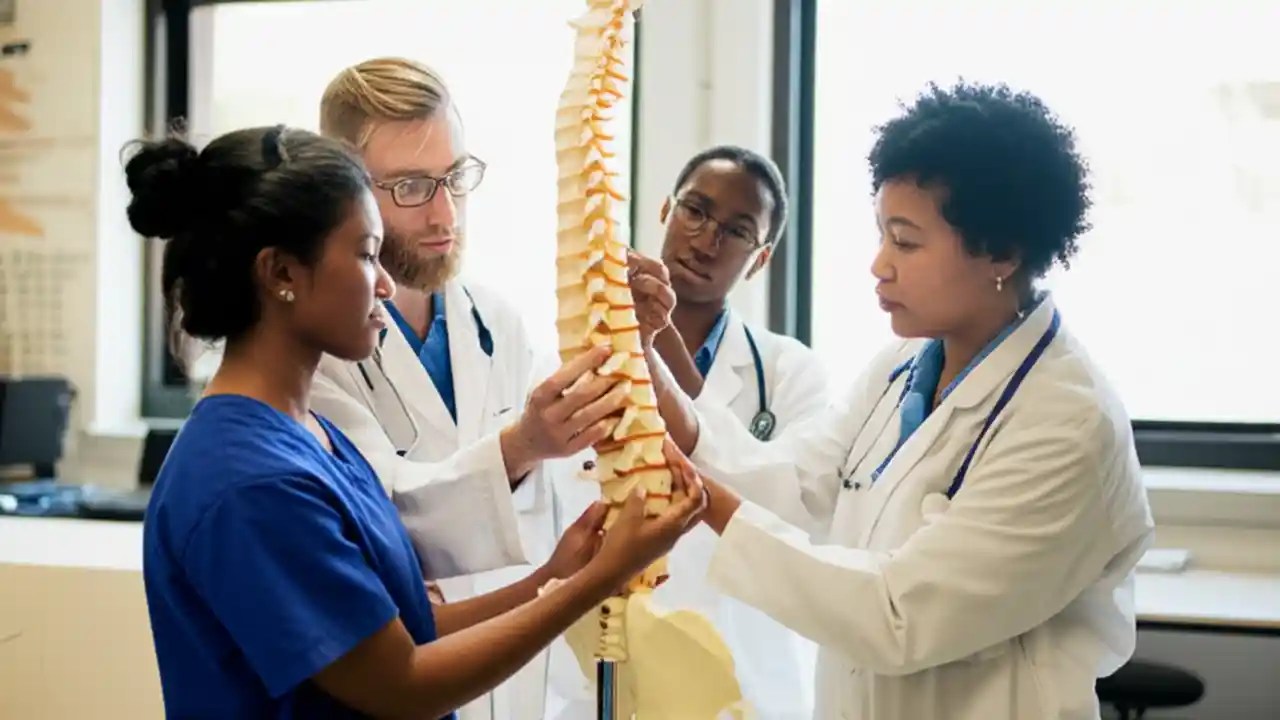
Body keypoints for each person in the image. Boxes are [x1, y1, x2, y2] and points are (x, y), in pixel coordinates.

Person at [129, 124, 704, 719]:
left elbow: (402, 626)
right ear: (280, 275)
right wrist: (602, 577)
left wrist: (555, 576)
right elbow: (401, 686)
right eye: (366, 255)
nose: (384, 283)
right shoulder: (249, 482)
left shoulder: (314, 438)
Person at [635, 81, 1156, 719]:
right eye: (882, 235)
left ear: (1003, 252)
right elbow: (794, 486)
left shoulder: (1069, 423)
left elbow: (896, 617)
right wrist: (642, 355)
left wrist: (700, 496)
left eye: (905, 242)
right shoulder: (901, 368)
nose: (879, 265)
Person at [310, 58, 611, 719]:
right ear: (345, 186)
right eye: (413, 186)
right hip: (402, 679)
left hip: (515, 679)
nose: (446, 212)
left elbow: (560, 498)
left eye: (455, 178)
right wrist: (521, 445)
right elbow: (379, 512)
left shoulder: (496, 323)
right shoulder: (318, 349)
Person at [625, 146, 828, 719]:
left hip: (745, 676)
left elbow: (786, 508)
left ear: (760, 259)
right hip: (605, 676)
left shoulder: (791, 375)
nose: (706, 240)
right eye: (695, 210)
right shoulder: (577, 356)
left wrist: (654, 336)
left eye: (736, 231)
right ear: (665, 210)